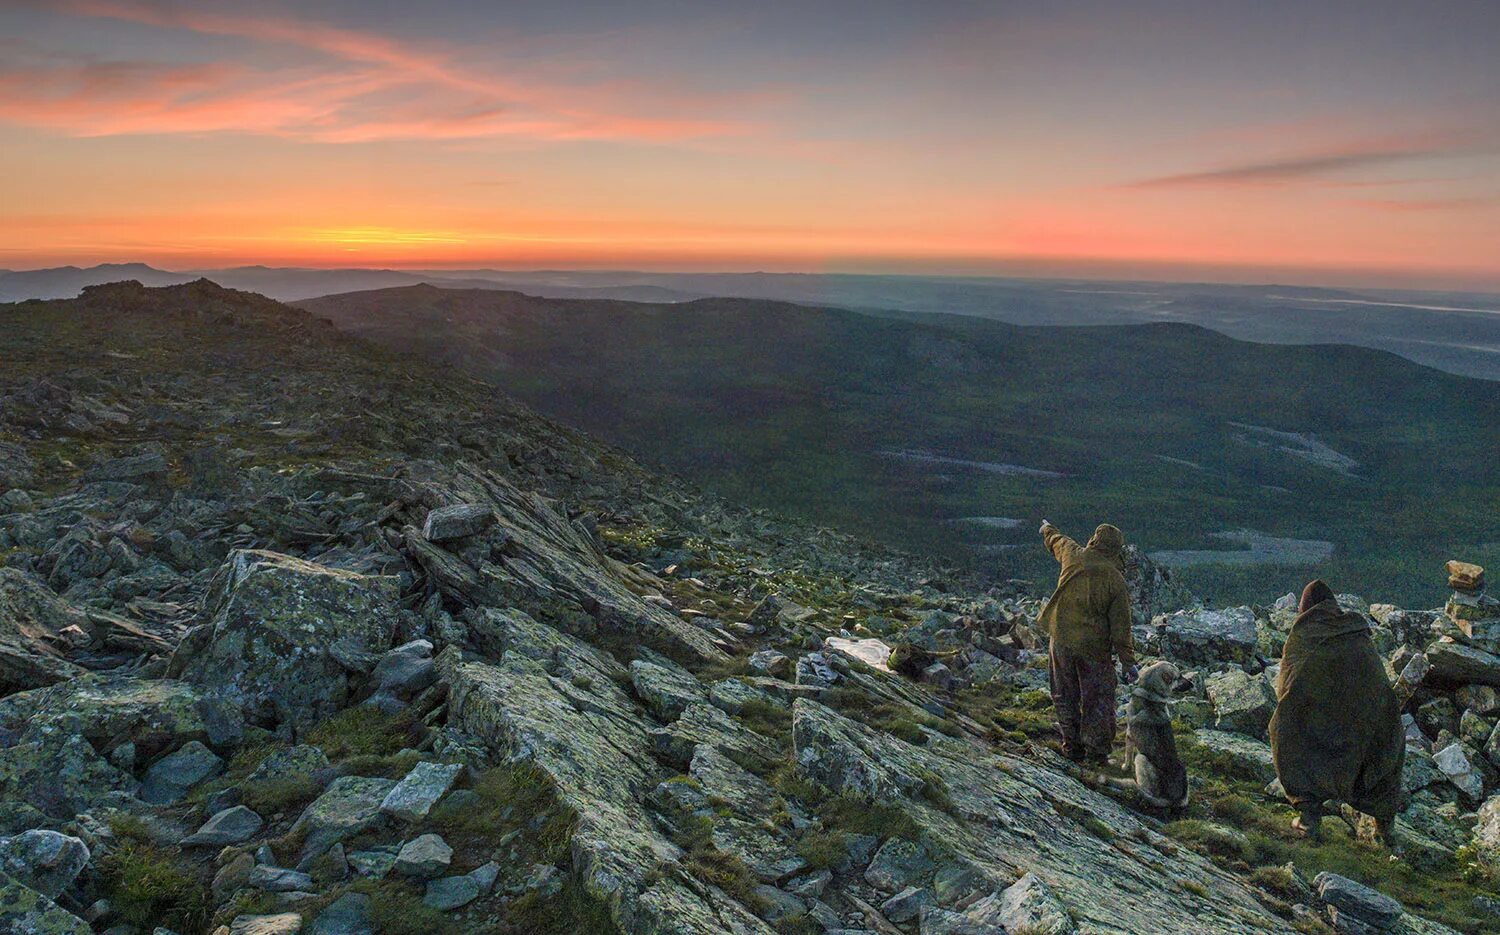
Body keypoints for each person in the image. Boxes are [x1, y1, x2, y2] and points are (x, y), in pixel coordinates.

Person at [1268, 580, 1405, 844]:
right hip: (1365, 727)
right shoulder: (1356, 633)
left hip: (1322, 727)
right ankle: (1386, 829)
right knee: (1387, 742)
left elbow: (1288, 688)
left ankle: (1308, 818)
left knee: (1285, 732)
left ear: (1306, 608)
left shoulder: (1304, 636)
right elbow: (1378, 686)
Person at [1037, 519, 1136, 766]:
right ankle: (1096, 754)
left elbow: (1055, 540)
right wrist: (1129, 663)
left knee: (1063, 693)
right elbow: (1121, 630)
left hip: (1060, 638)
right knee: (1099, 699)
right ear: (1116, 550)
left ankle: (1072, 747)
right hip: (1094, 649)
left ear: (1094, 539)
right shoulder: (1116, 581)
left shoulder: (1072, 554)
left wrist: (1046, 528)